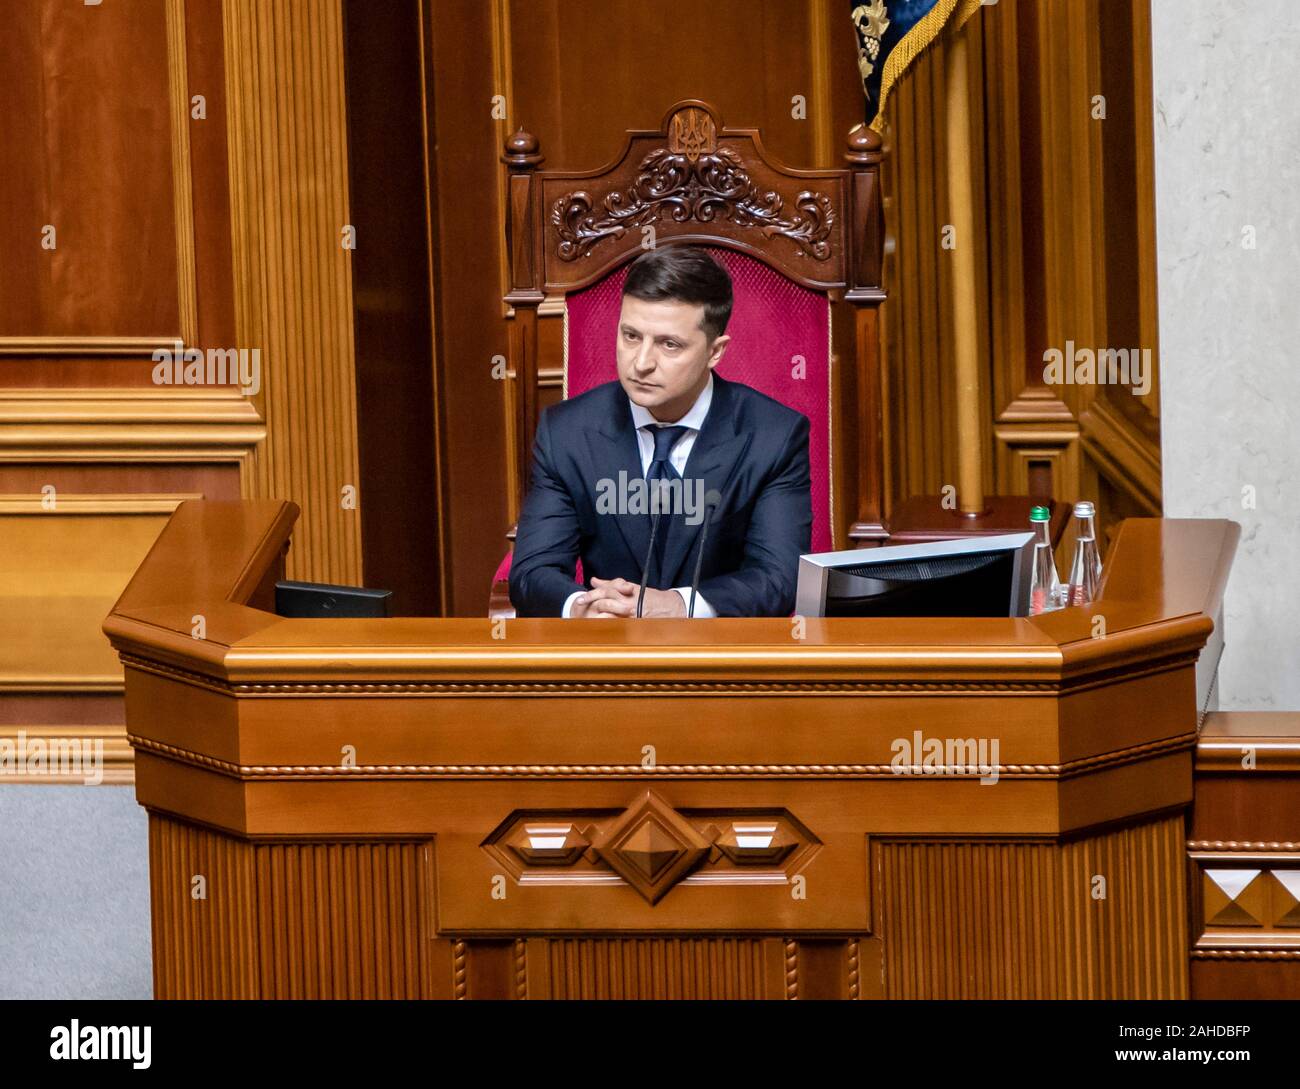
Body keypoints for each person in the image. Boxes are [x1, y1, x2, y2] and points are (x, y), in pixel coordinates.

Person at [508, 245, 812, 618]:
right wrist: (582, 609)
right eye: (631, 336)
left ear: (715, 352)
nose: (641, 363)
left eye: (669, 345)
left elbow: (779, 579)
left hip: (725, 661)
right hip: (610, 659)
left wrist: (678, 605)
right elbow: (531, 573)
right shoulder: (567, 432)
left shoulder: (774, 436)